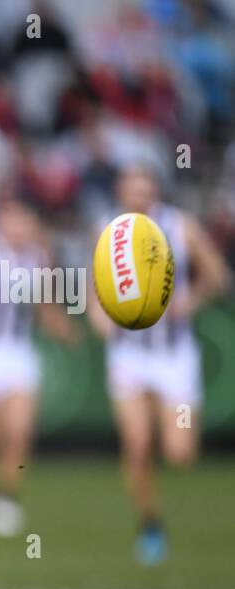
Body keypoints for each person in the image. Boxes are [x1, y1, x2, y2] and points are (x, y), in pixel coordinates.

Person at [88, 164, 230, 565]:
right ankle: (150, 523)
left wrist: (192, 300)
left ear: (154, 191)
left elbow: (217, 274)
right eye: (130, 188)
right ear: (121, 191)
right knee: (136, 444)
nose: (137, 195)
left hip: (174, 357)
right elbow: (93, 284)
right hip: (129, 355)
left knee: (181, 452)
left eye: (144, 187)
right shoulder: (107, 230)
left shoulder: (180, 226)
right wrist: (99, 316)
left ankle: (157, 484)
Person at [0, 198, 79, 536]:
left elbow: (46, 307)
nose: (20, 227)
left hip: (18, 352)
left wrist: (64, 329)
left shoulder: (38, 258)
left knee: (19, 431)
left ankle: (4, 498)